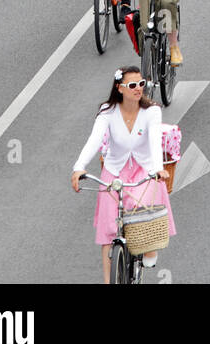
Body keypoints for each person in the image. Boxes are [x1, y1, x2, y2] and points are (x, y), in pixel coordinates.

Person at [71, 66, 173, 282]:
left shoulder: (151, 111)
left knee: (144, 213)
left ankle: (148, 247)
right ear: (120, 88)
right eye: (132, 85)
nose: (138, 89)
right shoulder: (107, 111)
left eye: (141, 84)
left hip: (144, 169)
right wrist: (79, 167)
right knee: (109, 231)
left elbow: (154, 141)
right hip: (115, 170)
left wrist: (157, 169)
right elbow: (95, 139)